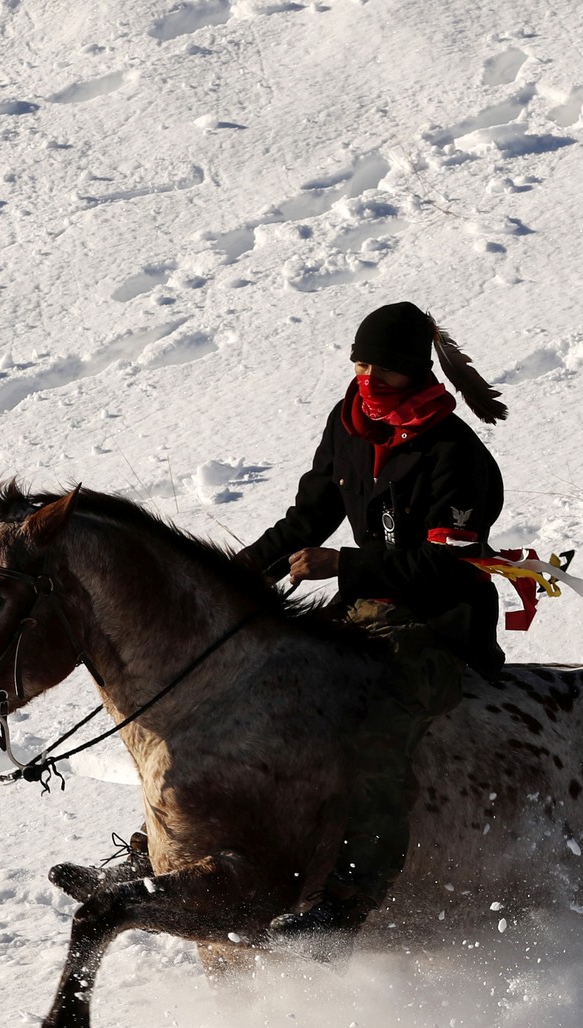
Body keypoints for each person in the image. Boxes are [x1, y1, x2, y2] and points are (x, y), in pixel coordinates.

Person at [235, 302, 512, 947]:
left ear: (415, 371)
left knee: (372, 731)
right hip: (363, 611)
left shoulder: (457, 455)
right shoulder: (349, 423)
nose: (367, 378)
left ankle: (350, 899)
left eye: (382, 370)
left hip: (437, 624)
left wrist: (344, 564)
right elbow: (307, 519)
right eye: (360, 364)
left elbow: (448, 565)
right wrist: (237, 578)